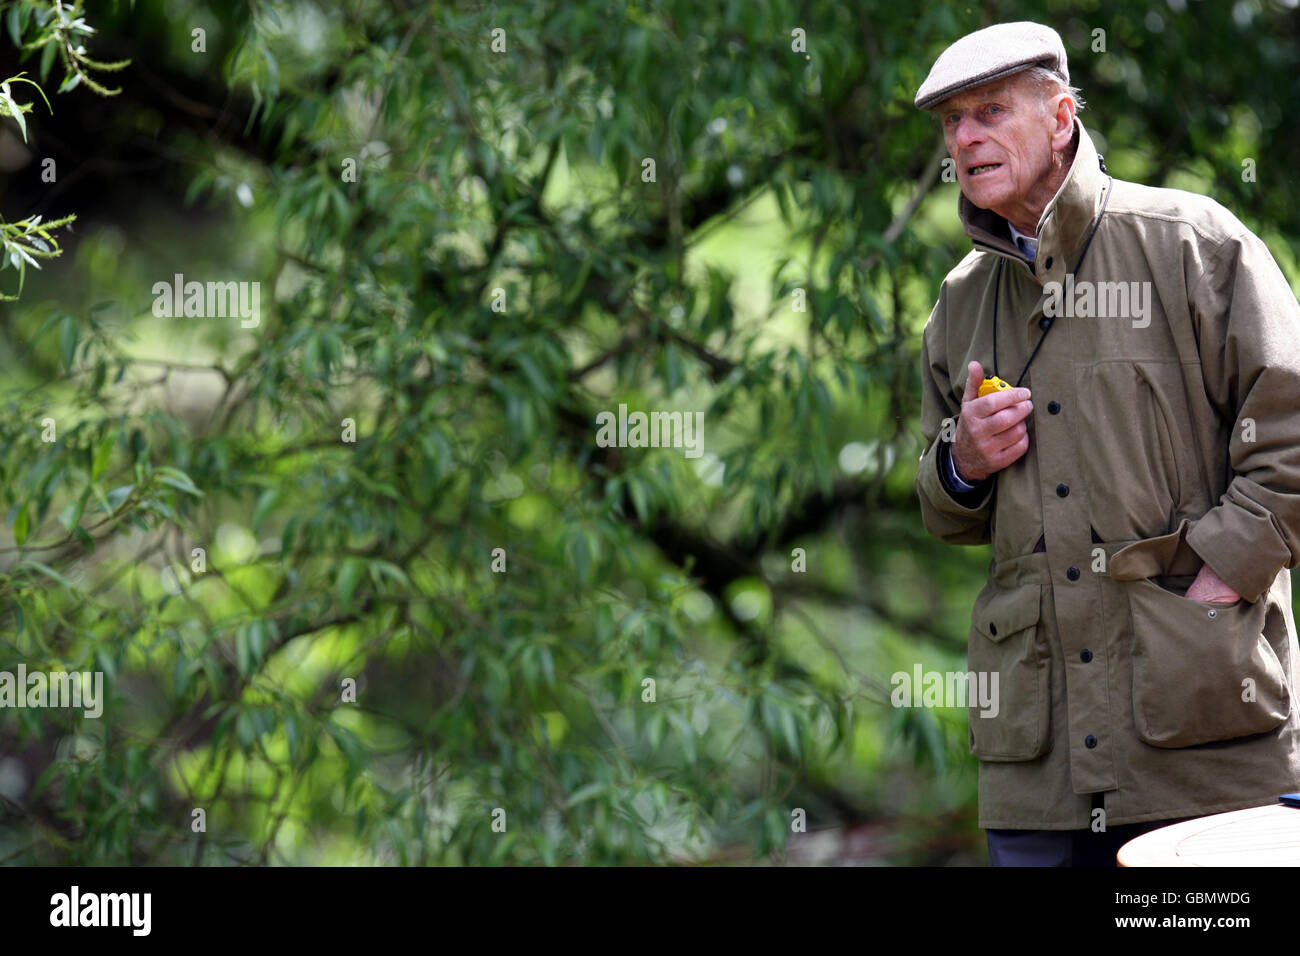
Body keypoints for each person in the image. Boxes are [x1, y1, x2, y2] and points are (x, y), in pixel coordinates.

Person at [911, 20, 1300, 866]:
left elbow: (1292, 437)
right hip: (1036, 766)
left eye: (988, 112)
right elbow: (942, 507)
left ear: (1059, 118)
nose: (965, 137)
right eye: (952, 122)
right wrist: (961, 463)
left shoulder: (1195, 243)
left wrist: (1216, 583)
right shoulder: (961, 302)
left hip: (1205, 745)